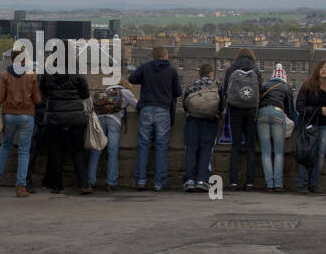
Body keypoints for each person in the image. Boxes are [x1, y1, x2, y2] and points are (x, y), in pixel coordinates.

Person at [0, 49, 42, 197]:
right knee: (24, 151)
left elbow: (0, 98)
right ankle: (20, 187)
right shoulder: (32, 75)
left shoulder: (5, 74)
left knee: (5, 146)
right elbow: (37, 100)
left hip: (9, 115)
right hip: (26, 116)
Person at [128, 46, 182, 191]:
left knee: (143, 146)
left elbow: (131, 79)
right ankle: (159, 183)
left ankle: (140, 181)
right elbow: (178, 92)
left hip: (146, 109)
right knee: (161, 147)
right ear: (165, 56)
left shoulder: (145, 67)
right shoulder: (171, 71)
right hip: (163, 111)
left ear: (152, 56)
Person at [40, 65, 92, 195]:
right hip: (75, 117)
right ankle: (84, 184)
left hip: (55, 116)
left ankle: (56, 186)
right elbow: (85, 94)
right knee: (78, 151)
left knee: (56, 151)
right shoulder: (77, 73)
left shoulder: (47, 72)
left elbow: (42, 91)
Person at [295, 60, 326, 194]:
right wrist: (319, 110)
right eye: (322, 68)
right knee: (306, 152)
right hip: (309, 123)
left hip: (325, 125)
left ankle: (313, 184)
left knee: (319, 154)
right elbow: (299, 107)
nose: (324, 70)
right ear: (317, 70)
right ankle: (302, 183)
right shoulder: (308, 85)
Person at [87, 80, 138, 192]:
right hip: (114, 121)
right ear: (127, 86)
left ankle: (90, 181)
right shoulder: (125, 92)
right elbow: (137, 106)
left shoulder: (107, 90)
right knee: (112, 152)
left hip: (100, 120)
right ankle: (111, 182)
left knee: (96, 150)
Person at [181, 63, 224, 192]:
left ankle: (189, 180)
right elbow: (221, 106)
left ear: (198, 74)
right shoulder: (217, 86)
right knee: (206, 150)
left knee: (191, 149)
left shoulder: (191, 85)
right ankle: (202, 180)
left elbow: (184, 105)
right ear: (211, 74)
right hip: (210, 121)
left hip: (193, 121)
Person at [222, 48, 261, 190]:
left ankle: (233, 182)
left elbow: (225, 90)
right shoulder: (255, 70)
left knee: (236, 146)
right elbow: (260, 92)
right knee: (250, 147)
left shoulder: (231, 69)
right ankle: (250, 182)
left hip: (235, 110)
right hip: (251, 110)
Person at [257, 64, 297, 193]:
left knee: (266, 152)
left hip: (262, 114)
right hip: (278, 113)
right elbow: (291, 111)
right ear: (284, 77)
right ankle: (278, 184)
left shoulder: (264, 86)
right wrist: (297, 123)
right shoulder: (286, 87)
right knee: (279, 152)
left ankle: (269, 184)